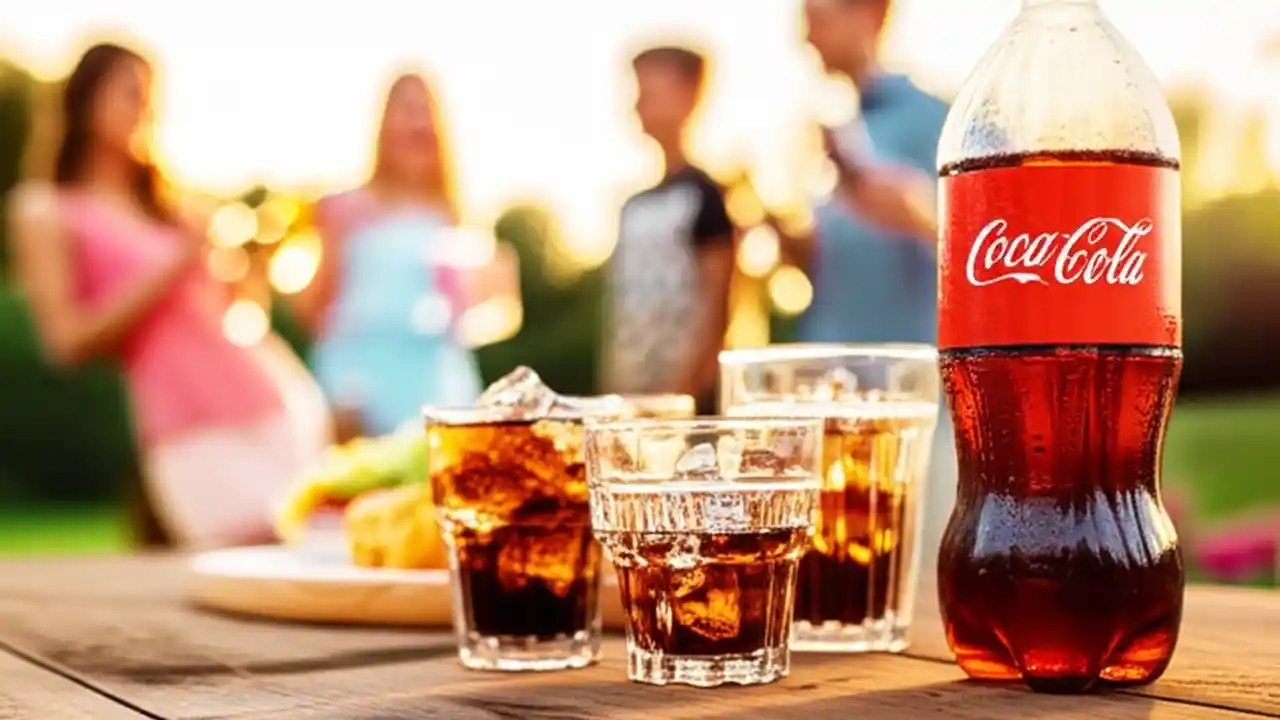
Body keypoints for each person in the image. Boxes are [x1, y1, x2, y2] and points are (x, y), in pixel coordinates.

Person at [10, 43, 327, 547]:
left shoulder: (172, 209)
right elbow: (67, 342)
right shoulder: (45, 209)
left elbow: (236, 314)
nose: (146, 109)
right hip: (185, 424)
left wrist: (242, 271)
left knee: (313, 559)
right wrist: (176, 262)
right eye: (131, 92)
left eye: (152, 97)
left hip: (270, 401)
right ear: (86, 99)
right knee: (243, 571)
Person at [800, 0, 956, 565]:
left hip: (905, 385)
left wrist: (908, 208)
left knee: (911, 565)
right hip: (824, 378)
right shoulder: (827, 131)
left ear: (866, 16)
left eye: (817, 19)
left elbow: (963, 239)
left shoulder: (939, 118)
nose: (806, 37)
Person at [296, 72, 502, 439]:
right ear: (384, 122)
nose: (417, 120)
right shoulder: (344, 207)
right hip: (359, 383)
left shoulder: (453, 211)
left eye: (426, 109)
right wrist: (343, 386)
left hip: (438, 381)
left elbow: (472, 310)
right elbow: (314, 311)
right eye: (406, 108)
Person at [602, 46, 735, 413]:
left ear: (688, 95)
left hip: (683, 403)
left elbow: (717, 306)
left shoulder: (705, 198)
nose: (638, 106)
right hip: (632, 397)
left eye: (649, 93)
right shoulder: (633, 205)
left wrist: (688, 391)